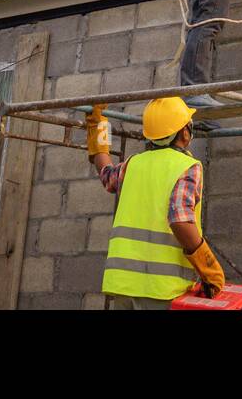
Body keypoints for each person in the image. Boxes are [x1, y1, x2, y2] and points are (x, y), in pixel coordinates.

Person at [87, 96, 225, 307]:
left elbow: (105, 173)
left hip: (124, 286)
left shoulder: (132, 165)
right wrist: (209, 269)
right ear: (185, 133)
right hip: (162, 290)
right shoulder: (187, 166)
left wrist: (99, 127)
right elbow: (180, 220)